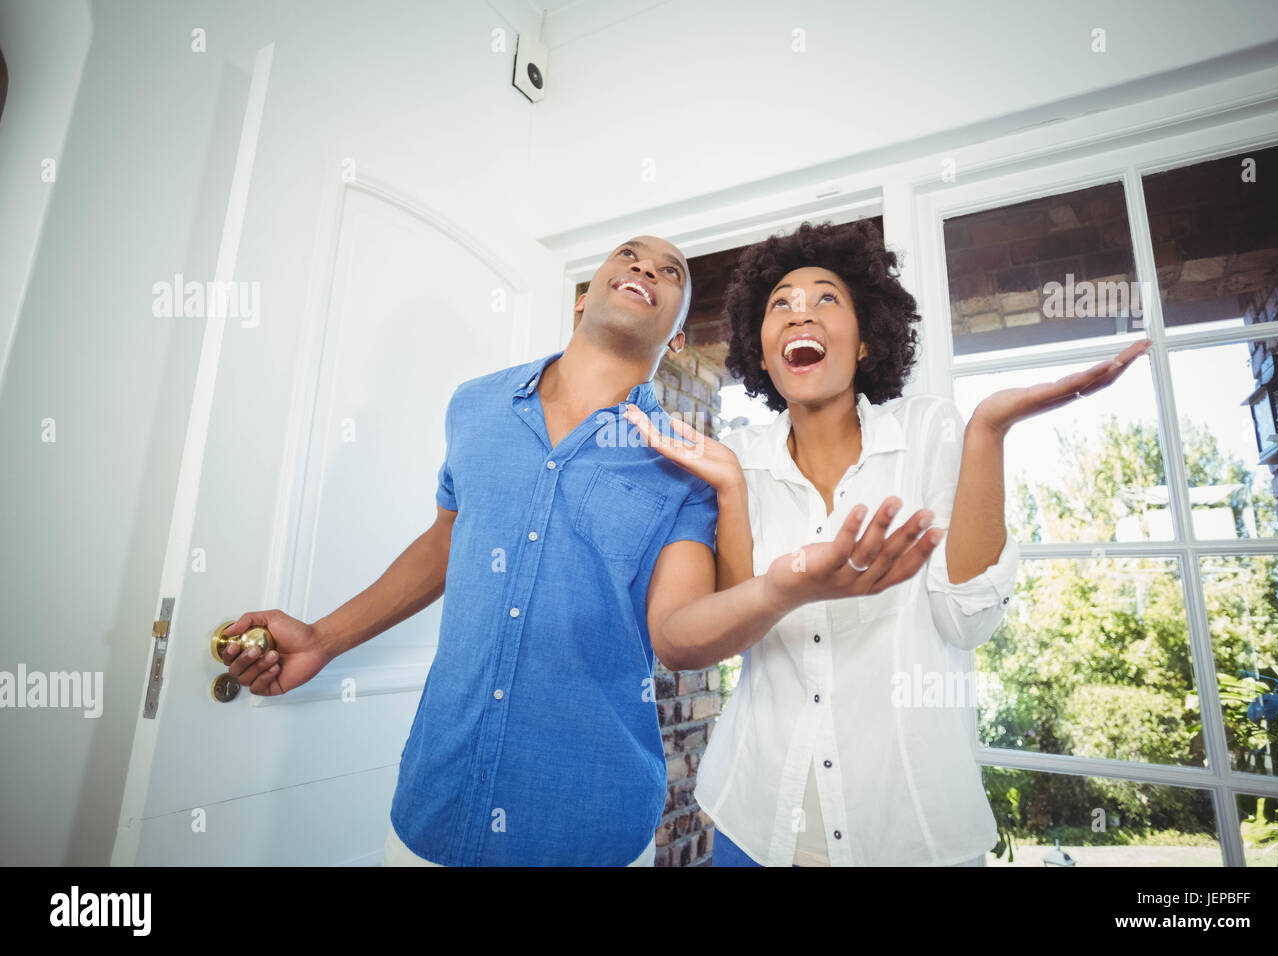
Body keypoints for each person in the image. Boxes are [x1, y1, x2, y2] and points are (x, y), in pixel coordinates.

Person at [218, 233, 940, 866]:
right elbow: (447, 538)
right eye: (628, 255)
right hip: (431, 811)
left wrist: (784, 583)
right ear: (583, 297)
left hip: (591, 825)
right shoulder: (475, 406)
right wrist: (322, 638)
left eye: (671, 272)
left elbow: (680, 635)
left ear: (677, 341)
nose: (645, 267)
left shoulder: (684, 464)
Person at [626, 219, 1152, 866]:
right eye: (780, 305)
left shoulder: (929, 431)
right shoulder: (737, 461)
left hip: (912, 831)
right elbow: (732, 633)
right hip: (754, 823)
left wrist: (988, 431)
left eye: (825, 298)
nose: (800, 315)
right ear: (762, 354)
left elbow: (965, 620)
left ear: (867, 342)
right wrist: (745, 511)